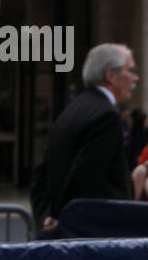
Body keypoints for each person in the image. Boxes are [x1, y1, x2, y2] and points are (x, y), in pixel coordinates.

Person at [31, 44, 139, 230]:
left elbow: (42, 172)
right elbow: (86, 176)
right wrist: (66, 220)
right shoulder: (106, 116)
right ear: (110, 75)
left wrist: (46, 215)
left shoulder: (71, 110)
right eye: (130, 70)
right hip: (94, 231)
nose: (135, 78)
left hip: (64, 227)